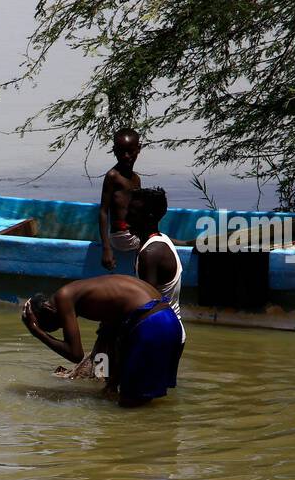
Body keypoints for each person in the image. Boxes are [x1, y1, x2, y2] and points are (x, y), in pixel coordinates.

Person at [21, 275, 183, 407]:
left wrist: (37, 332)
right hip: (170, 322)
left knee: (129, 405)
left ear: (49, 310)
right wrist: (108, 382)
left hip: (150, 324)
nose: (62, 326)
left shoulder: (64, 296)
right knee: (144, 402)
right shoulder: (90, 293)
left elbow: (75, 354)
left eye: (51, 327)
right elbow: (106, 342)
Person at [128, 187, 186, 345]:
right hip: (169, 331)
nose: (126, 218)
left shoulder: (151, 254)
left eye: (133, 213)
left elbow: (147, 305)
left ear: (149, 217)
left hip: (160, 334)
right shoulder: (160, 239)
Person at [98, 128, 143, 271]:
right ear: (114, 151)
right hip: (121, 237)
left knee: (159, 235)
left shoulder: (136, 178)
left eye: (131, 151)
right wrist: (106, 248)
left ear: (138, 149)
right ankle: (184, 243)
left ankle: (183, 242)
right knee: (162, 240)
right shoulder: (112, 176)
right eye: (121, 152)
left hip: (135, 233)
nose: (126, 156)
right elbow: (104, 211)